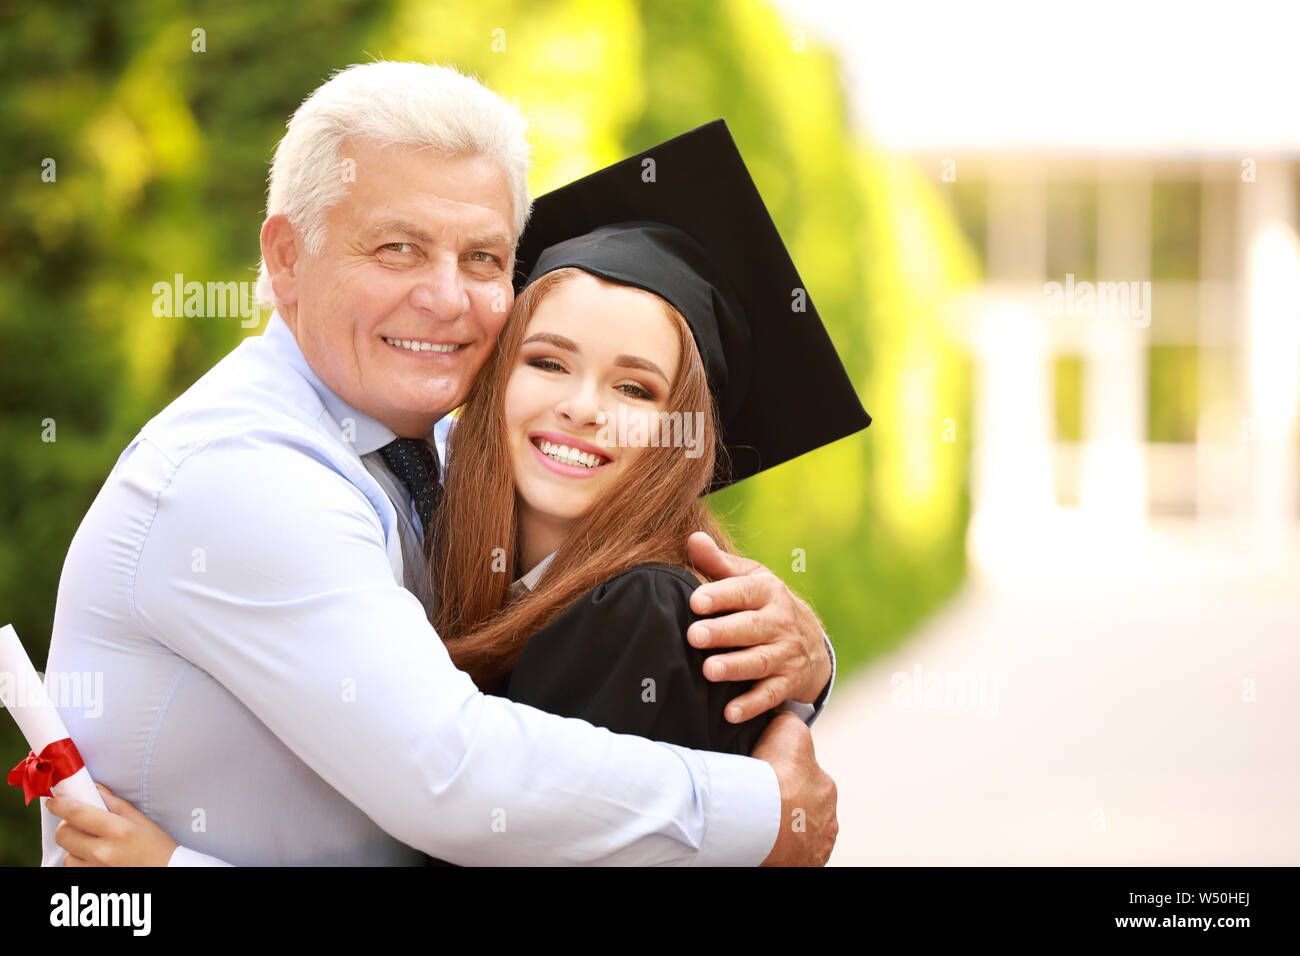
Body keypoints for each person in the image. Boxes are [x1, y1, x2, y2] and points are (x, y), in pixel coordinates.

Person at [36, 63, 844, 867]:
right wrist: (764, 813)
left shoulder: (440, 458)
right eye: (399, 248)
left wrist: (803, 652)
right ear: (286, 259)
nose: (448, 298)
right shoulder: (245, 475)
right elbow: (455, 779)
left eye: (485, 258)